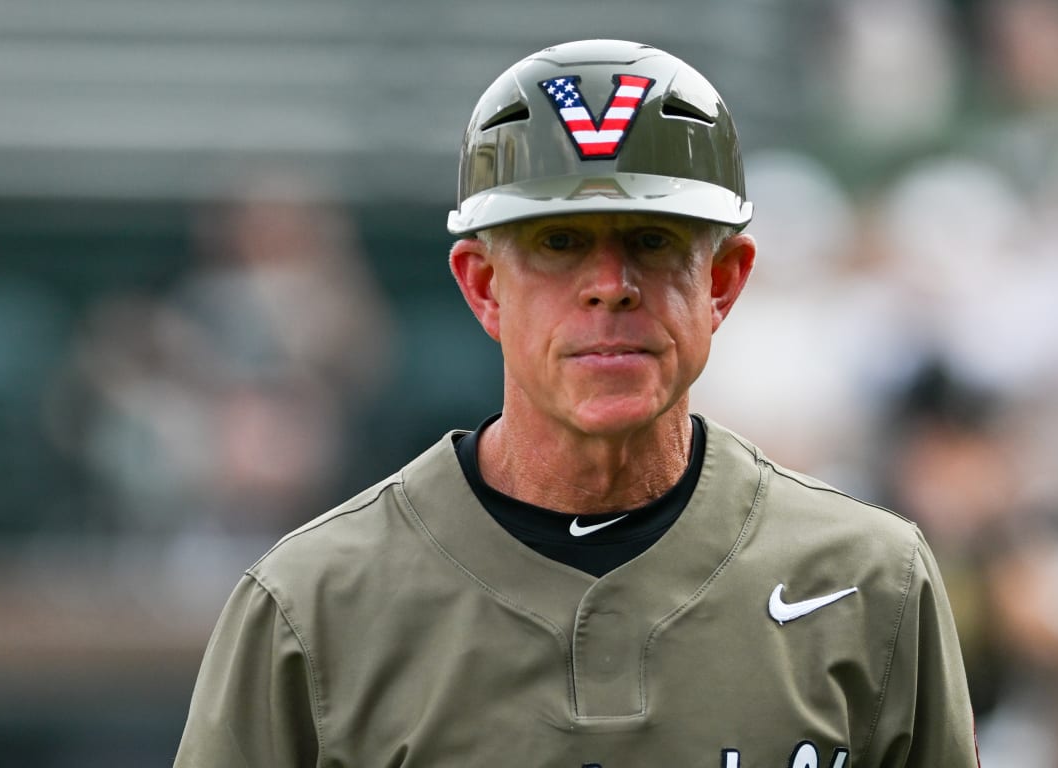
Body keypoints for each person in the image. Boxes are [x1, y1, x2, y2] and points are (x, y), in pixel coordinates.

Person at [174, 39, 978, 767]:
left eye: (653, 242)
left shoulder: (870, 581)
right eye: (560, 244)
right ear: (484, 286)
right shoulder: (310, 607)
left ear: (724, 282)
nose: (609, 287)